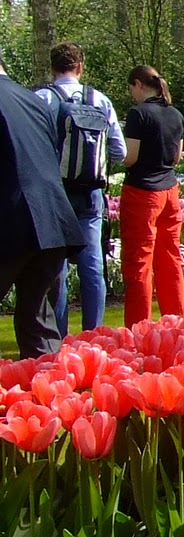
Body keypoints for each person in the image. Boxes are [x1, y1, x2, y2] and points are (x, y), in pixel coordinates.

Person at [36, 42, 125, 336]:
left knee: (56, 269)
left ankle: (58, 336)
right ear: (80, 66)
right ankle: (94, 334)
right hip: (90, 193)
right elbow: (119, 150)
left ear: (52, 67)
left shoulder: (42, 98)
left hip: (55, 193)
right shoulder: (98, 99)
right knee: (92, 266)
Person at [0, 71, 85, 358]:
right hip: (52, 220)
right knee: (37, 321)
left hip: (10, 219)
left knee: (36, 318)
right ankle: (53, 396)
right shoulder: (34, 101)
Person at [120, 65, 184, 327]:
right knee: (170, 259)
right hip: (170, 191)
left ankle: (139, 328)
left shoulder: (138, 114)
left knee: (139, 262)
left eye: (131, 89)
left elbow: (130, 158)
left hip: (142, 192)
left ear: (138, 84)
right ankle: (176, 322)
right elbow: (176, 157)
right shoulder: (175, 114)